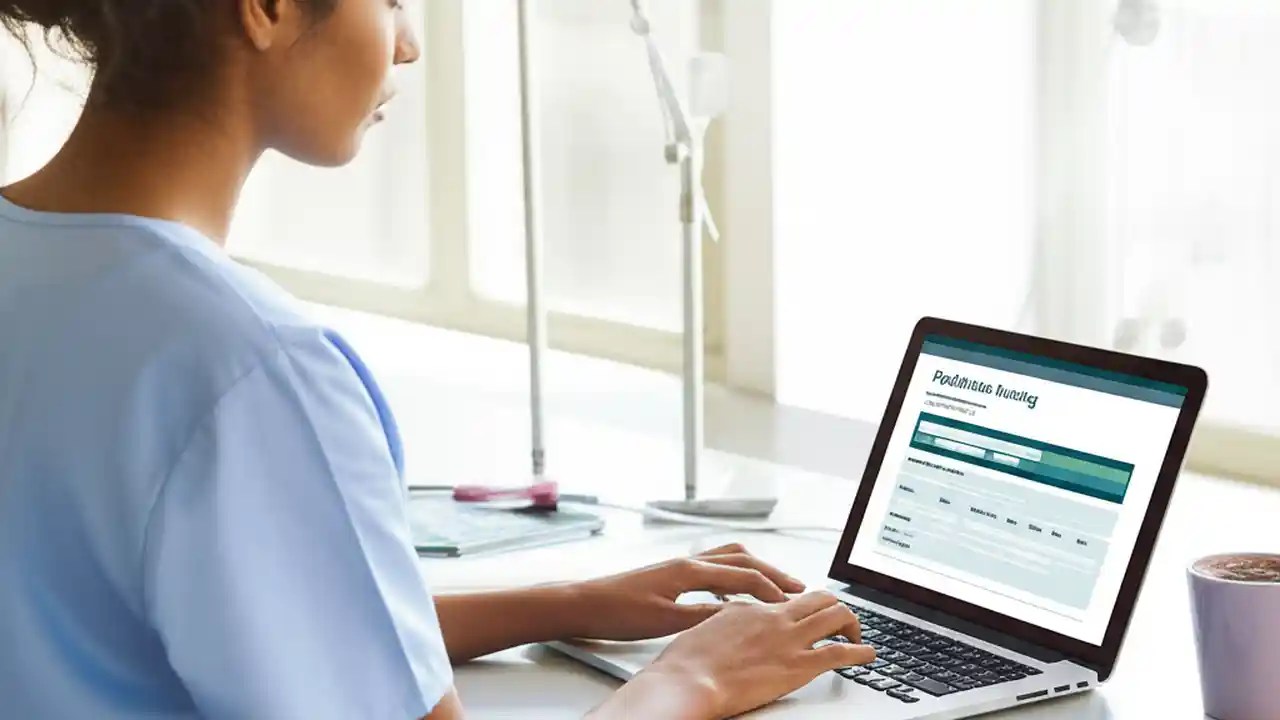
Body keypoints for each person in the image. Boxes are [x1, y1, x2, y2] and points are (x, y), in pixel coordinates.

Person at [0, 1, 875, 718]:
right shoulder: (249, 368)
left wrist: (564, 605)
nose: (410, 44)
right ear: (265, 9)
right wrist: (694, 678)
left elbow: (224, 625)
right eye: (390, 1)